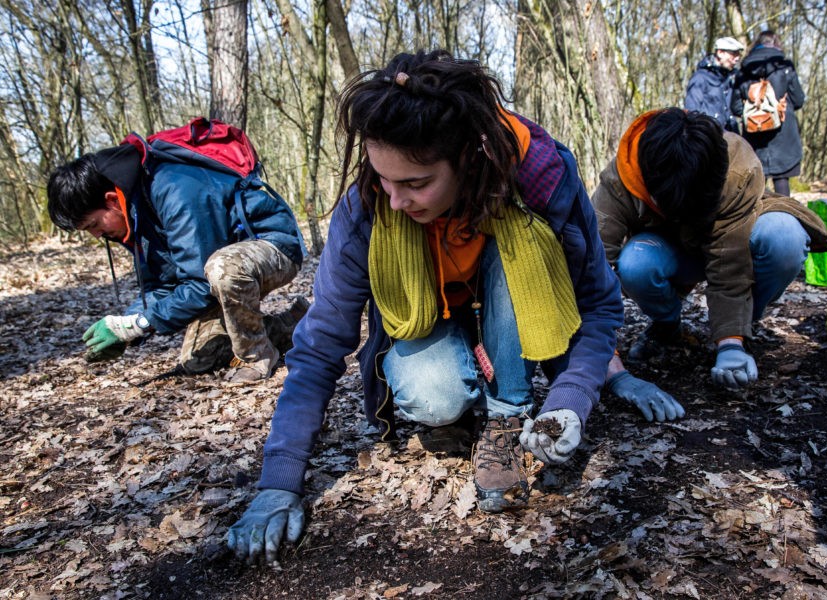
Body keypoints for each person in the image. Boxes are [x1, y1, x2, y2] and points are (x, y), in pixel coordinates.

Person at [227, 49, 624, 564]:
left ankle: (505, 417)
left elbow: (600, 305)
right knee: (435, 398)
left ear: (470, 157)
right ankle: (462, 397)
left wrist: (570, 398)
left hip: (516, 318)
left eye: (416, 184)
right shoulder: (367, 207)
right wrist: (277, 482)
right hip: (428, 319)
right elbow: (320, 343)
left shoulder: (543, 180)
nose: (395, 200)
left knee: (519, 242)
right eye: (383, 178)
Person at [591, 108, 827, 391]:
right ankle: (667, 325)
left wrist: (730, 343)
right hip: (668, 251)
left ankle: (743, 327)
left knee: (784, 236)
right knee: (635, 264)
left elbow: (730, 261)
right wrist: (609, 362)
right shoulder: (620, 179)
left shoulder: (739, 168)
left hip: (733, 245)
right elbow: (592, 267)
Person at [46, 134, 307, 382]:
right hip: (218, 268)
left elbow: (198, 285)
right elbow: (160, 284)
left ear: (112, 200)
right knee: (200, 359)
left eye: (93, 224)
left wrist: (140, 324)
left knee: (224, 268)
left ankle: (257, 358)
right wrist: (124, 328)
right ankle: (296, 323)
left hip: (272, 247)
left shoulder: (174, 189)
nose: (96, 234)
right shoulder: (134, 214)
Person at [731, 30, 805, 196]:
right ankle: (784, 218)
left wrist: (754, 113)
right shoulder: (785, 67)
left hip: (754, 135)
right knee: (781, 179)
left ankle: (757, 219)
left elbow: (735, 107)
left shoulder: (743, 71)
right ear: (776, 43)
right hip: (784, 134)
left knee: (757, 181)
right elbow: (798, 99)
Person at [685, 36, 745, 133]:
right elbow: (691, 112)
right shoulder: (700, 78)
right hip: (709, 137)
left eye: (738, 55)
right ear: (720, 53)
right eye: (733, 54)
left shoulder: (731, 78)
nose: (737, 58)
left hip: (731, 136)